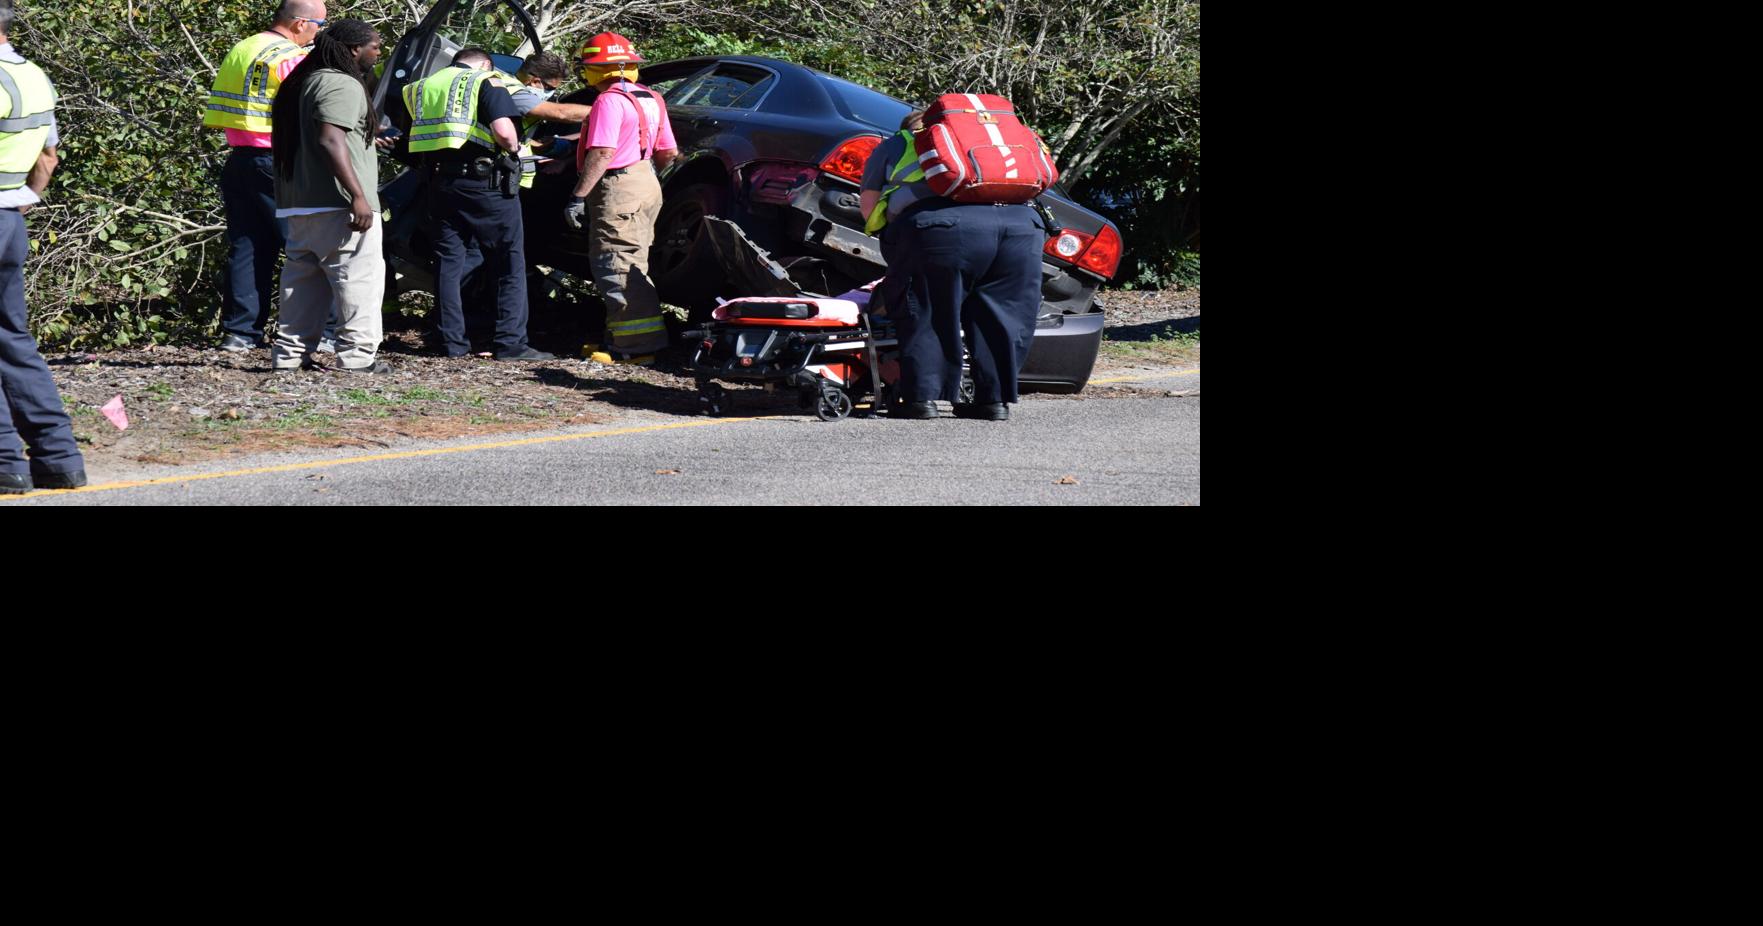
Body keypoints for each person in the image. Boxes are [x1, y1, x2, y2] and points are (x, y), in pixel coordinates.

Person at [860, 109, 1044, 421]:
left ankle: (921, 399)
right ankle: (993, 401)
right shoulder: (1000, 145)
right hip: (1021, 228)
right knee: (1001, 315)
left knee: (927, 307)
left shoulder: (900, 142)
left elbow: (868, 207)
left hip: (941, 227)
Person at [402, 48, 551, 361]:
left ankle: (450, 344)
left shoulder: (418, 88)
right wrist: (514, 149)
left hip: (439, 183)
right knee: (509, 261)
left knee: (449, 263)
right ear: (486, 64)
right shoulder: (488, 82)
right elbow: (505, 135)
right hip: (485, 184)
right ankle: (511, 344)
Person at [203, 0, 330, 353]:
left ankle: (240, 333)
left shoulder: (244, 47)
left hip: (240, 157)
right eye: (320, 26)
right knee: (304, 247)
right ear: (301, 24)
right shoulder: (291, 57)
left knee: (247, 247)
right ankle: (314, 335)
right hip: (279, 161)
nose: (319, 34)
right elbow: (313, 110)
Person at [268, 19, 391, 374]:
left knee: (301, 287)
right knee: (358, 281)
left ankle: (290, 358)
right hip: (339, 205)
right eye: (375, 47)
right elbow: (330, 140)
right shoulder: (340, 83)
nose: (379, 53)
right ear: (354, 49)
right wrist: (358, 196)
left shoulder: (301, 82)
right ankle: (356, 358)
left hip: (299, 203)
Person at [0, 2, 84, 493]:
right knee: (13, 339)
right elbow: (48, 155)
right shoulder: (34, 75)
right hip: (11, 217)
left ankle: (6, 462)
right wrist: (23, 199)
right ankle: (58, 458)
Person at [562, 32, 677, 365]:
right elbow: (668, 151)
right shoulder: (652, 97)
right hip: (645, 181)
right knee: (634, 262)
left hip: (619, 184)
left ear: (593, 71)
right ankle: (621, 339)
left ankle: (636, 349)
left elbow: (602, 152)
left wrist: (577, 196)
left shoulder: (608, 100)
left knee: (615, 263)